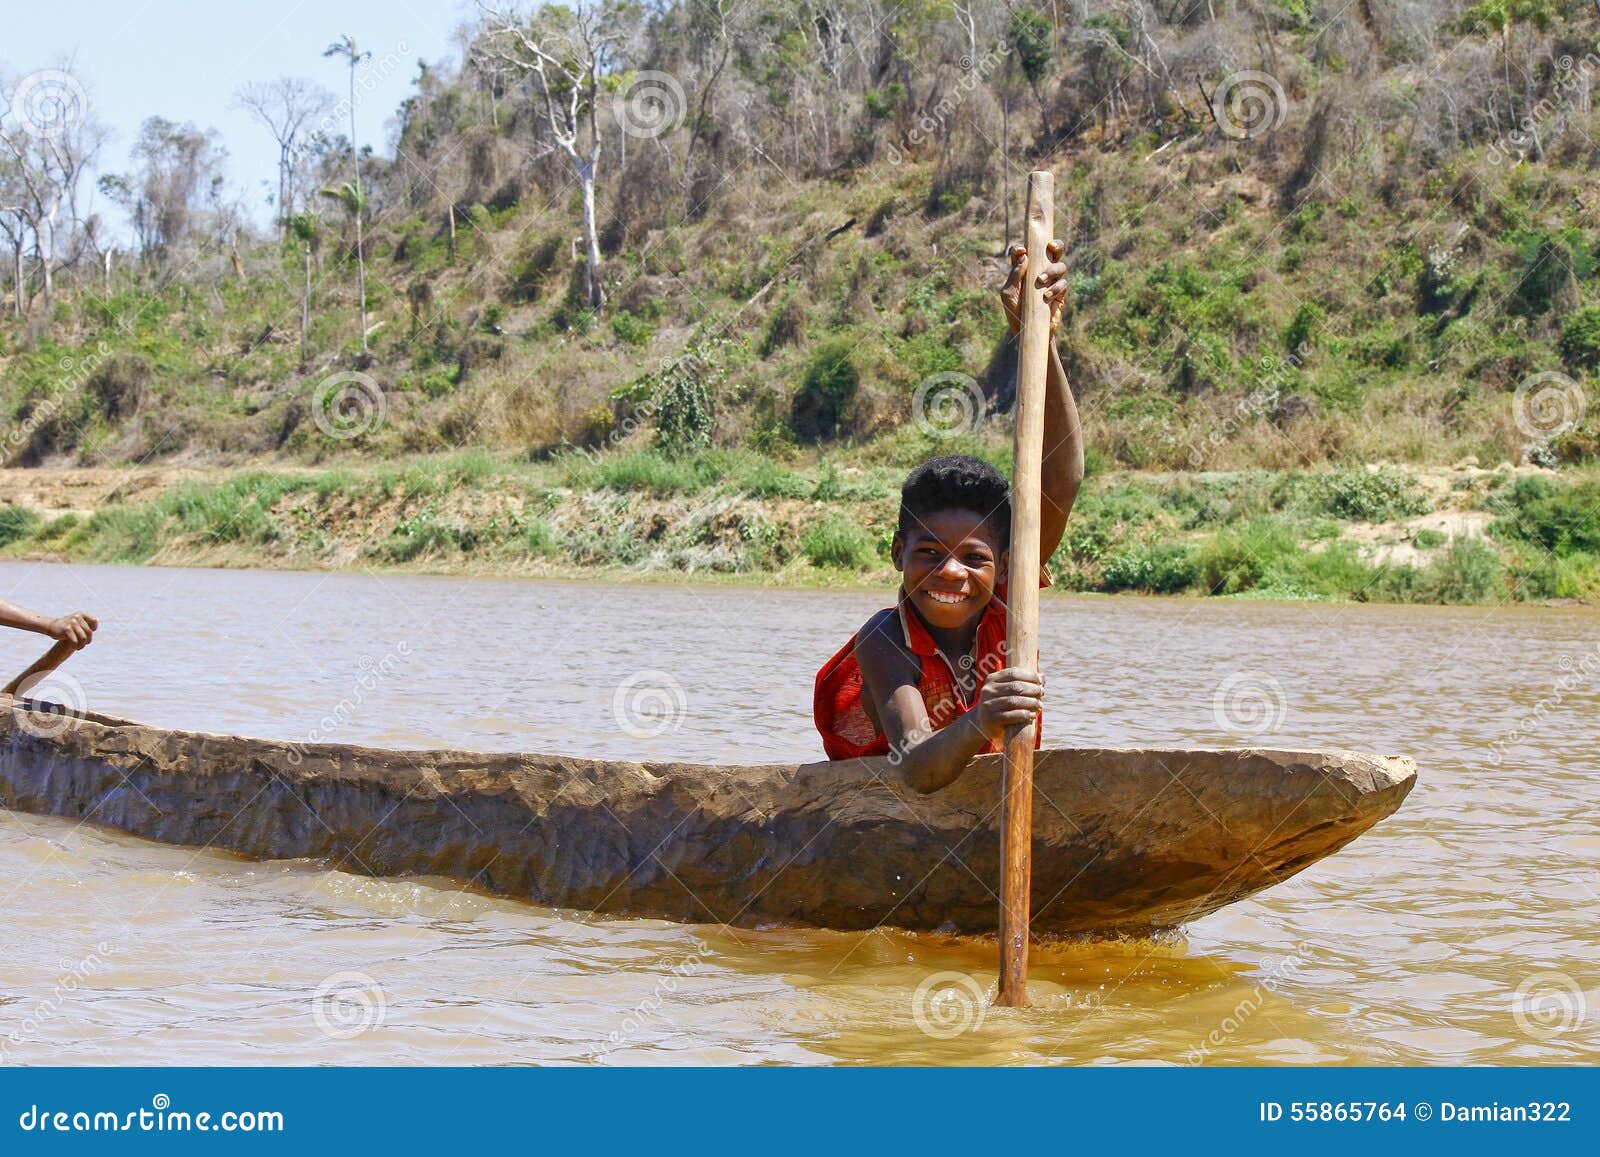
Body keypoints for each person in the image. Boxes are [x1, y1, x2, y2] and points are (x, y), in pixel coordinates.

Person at [813, 239, 1084, 793]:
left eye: (975, 558)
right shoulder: (886, 640)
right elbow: (915, 768)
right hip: (887, 807)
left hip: (985, 799)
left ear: (1004, 564)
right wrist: (980, 720)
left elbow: (1062, 477)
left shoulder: (1010, 600)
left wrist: (1038, 338)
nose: (952, 573)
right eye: (929, 553)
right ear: (897, 554)